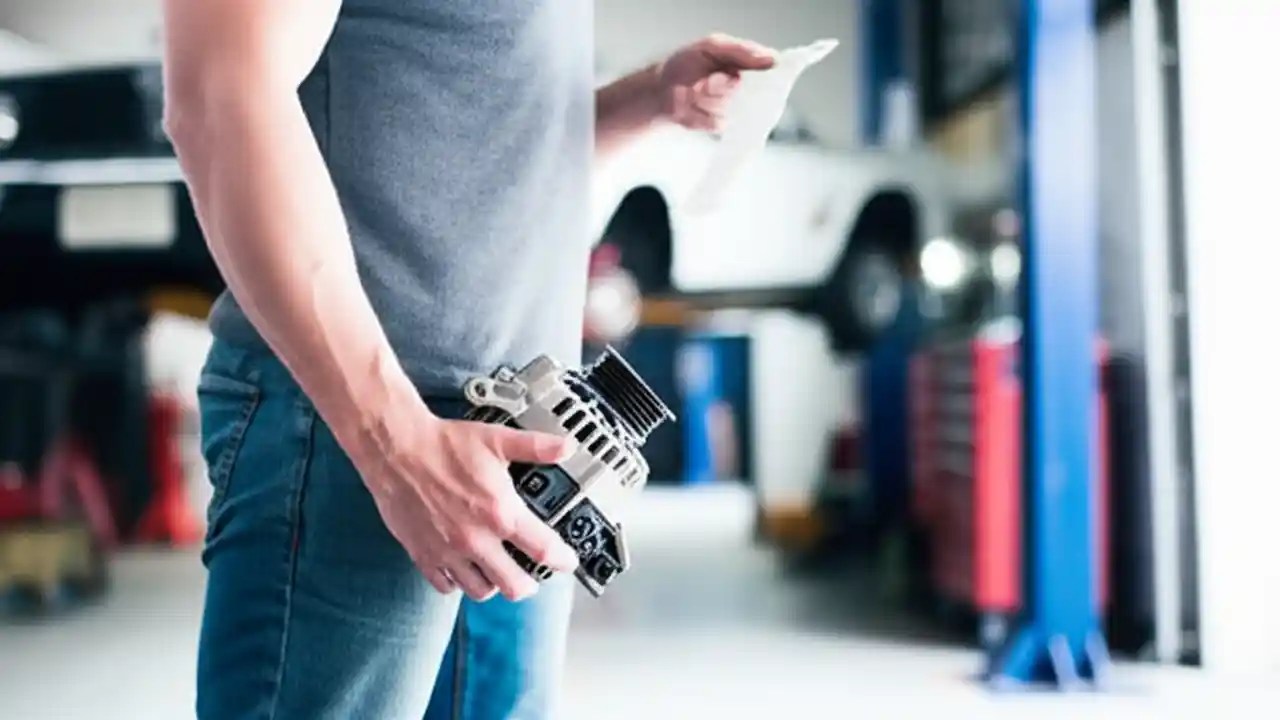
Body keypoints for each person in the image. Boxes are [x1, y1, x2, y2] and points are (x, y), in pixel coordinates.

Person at [160, 1, 775, 718]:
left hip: (515, 452)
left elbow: (479, 140)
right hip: (358, 430)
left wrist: (650, 98)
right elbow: (220, 95)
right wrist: (394, 443)